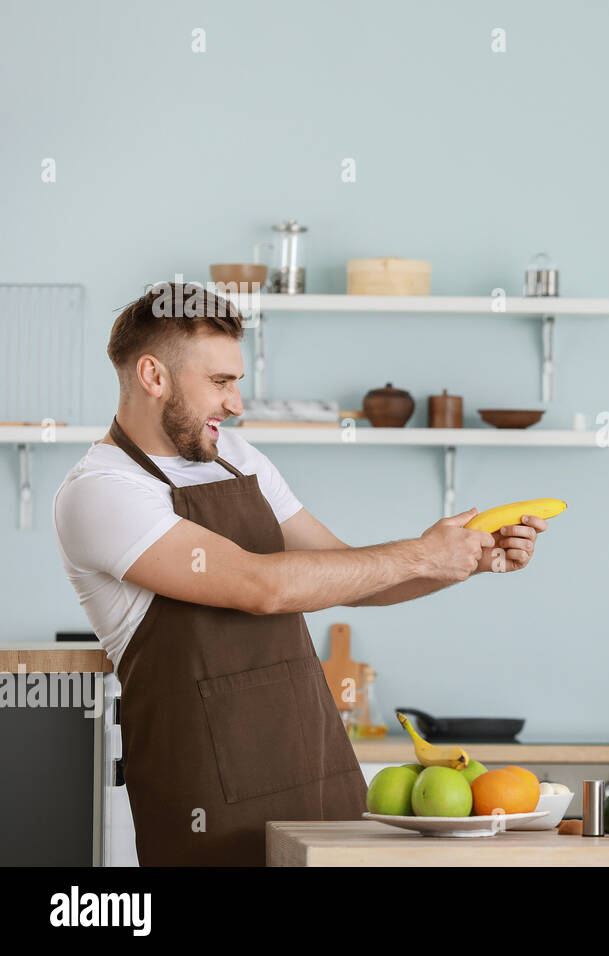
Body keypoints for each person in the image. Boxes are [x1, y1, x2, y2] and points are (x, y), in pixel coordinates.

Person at [53, 281, 548, 865]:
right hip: (204, 796)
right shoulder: (102, 492)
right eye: (220, 382)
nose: (236, 404)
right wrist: (422, 553)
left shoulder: (235, 456)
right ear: (153, 376)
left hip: (312, 765)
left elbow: (349, 575)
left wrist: (466, 559)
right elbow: (261, 587)